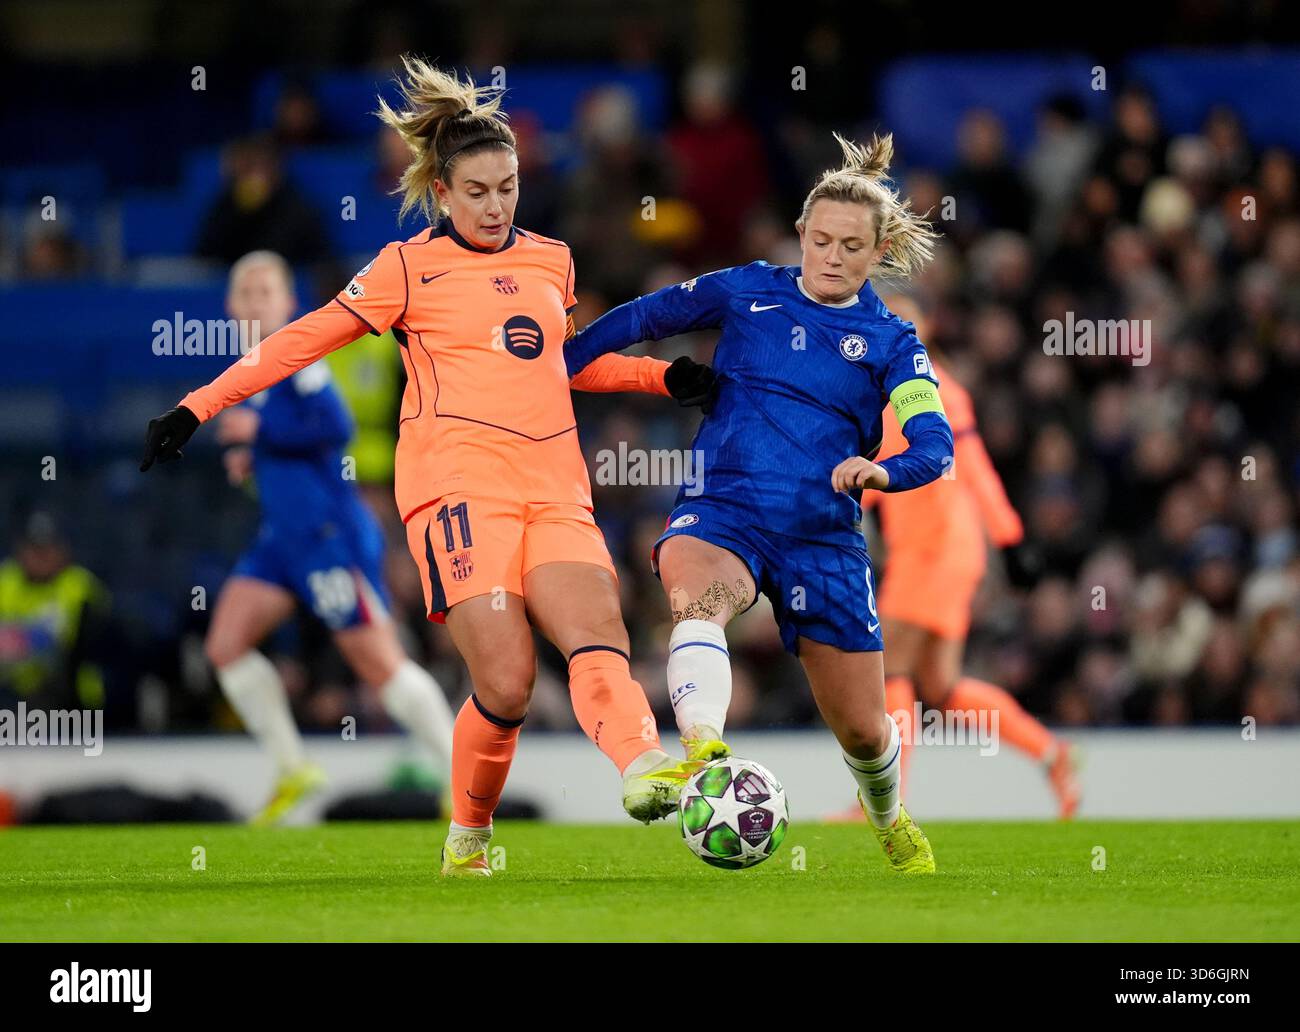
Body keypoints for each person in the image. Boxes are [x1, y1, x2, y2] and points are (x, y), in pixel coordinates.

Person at [141, 58, 717, 876]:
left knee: (596, 634)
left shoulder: (552, 260)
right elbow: (305, 338)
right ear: (442, 192)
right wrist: (199, 405)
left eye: (508, 187)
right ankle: (470, 833)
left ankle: (642, 768)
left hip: (553, 488)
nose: (495, 205)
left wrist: (664, 375)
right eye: (477, 191)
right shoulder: (406, 269)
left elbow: (561, 361)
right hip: (457, 492)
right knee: (509, 681)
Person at [565, 132, 952, 874]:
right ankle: (705, 748)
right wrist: (559, 364)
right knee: (699, 601)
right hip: (725, 510)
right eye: (822, 239)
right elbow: (641, 318)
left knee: (867, 734)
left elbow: (935, 445)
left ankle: (889, 816)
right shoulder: (745, 288)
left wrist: (883, 472)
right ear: (801, 233)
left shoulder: (893, 341)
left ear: (879, 255)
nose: (832, 257)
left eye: (851, 247)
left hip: (821, 537)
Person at [204, 249, 459, 826]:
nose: (255, 302)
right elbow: (300, 446)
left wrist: (259, 431)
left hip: (329, 538)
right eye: (246, 293)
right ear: (230, 305)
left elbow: (335, 424)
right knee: (225, 645)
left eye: (266, 292)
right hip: (283, 539)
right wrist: (255, 460)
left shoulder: (298, 352)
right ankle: (292, 766)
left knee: (379, 664)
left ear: (288, 303)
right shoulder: (256, 364)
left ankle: (457, 773)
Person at [860, 294, 1081, 819]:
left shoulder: (928, 386)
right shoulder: (901, 387)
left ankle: (884, 803)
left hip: (934, 550)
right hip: (940, 551)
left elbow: (967, 463)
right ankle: (1051, 753)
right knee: (939, 686)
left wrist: (1010, 536)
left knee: (884, 666)